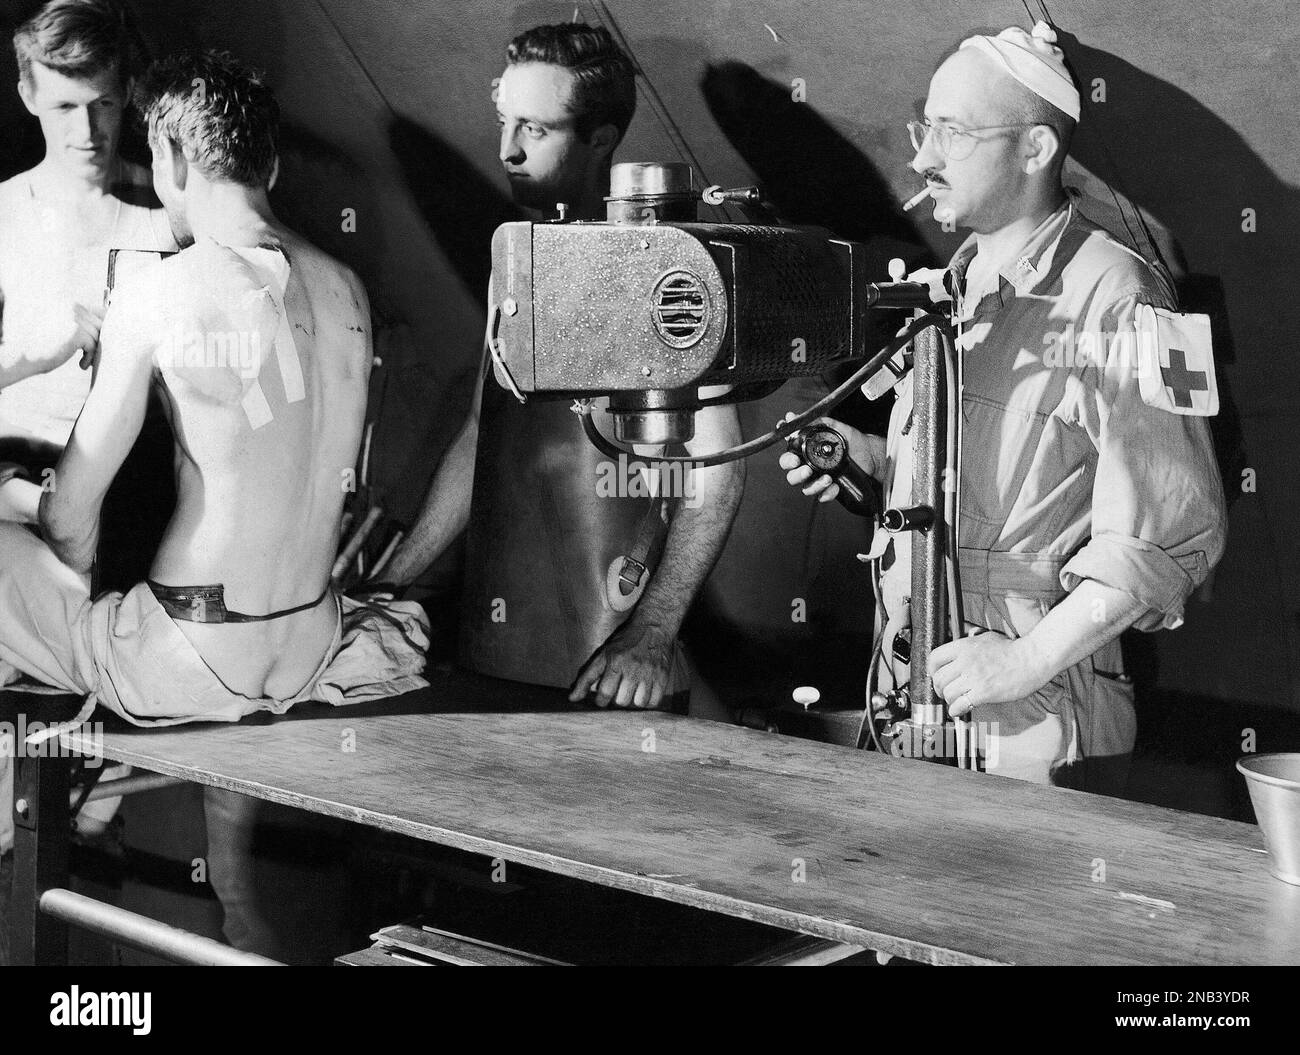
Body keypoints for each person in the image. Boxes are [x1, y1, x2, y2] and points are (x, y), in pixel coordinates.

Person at [0, 50, 429, 956]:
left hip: (184, 659)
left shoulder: (161, 289)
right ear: (267, 167)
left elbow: (73, 513)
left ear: (173, 161)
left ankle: (25, 822)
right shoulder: (347, 288)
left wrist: (48, 552)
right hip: (307, 648)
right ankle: (99, 795)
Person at [781, 21, 1226, 793]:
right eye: (926, 129)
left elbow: (1171, 533)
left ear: (1035, 148)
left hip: (1041, 720)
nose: (922, 159)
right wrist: (875, 463)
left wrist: (1022, 661)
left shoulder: (1128, 297)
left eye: (952, 133)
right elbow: (990, 489)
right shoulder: (953, 292)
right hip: (920, 697)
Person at [381, 23, 744, 714]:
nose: (505, 149)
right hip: (500, 659)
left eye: (535, 129)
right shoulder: (515, 256)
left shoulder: (666, 264)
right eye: (503, 120)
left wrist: (652, 635)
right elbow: (482, 436)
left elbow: (719, 467)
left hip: (614, 671)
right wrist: (390, 582)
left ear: (600, 139)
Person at [0, 0, 177, 964]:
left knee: (94, 814)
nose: (88, 130)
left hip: (132, 520)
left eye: (105, 105)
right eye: (67, 105)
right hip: (12, 512)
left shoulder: (167, 222)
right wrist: (31, 356)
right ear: (28, 94)